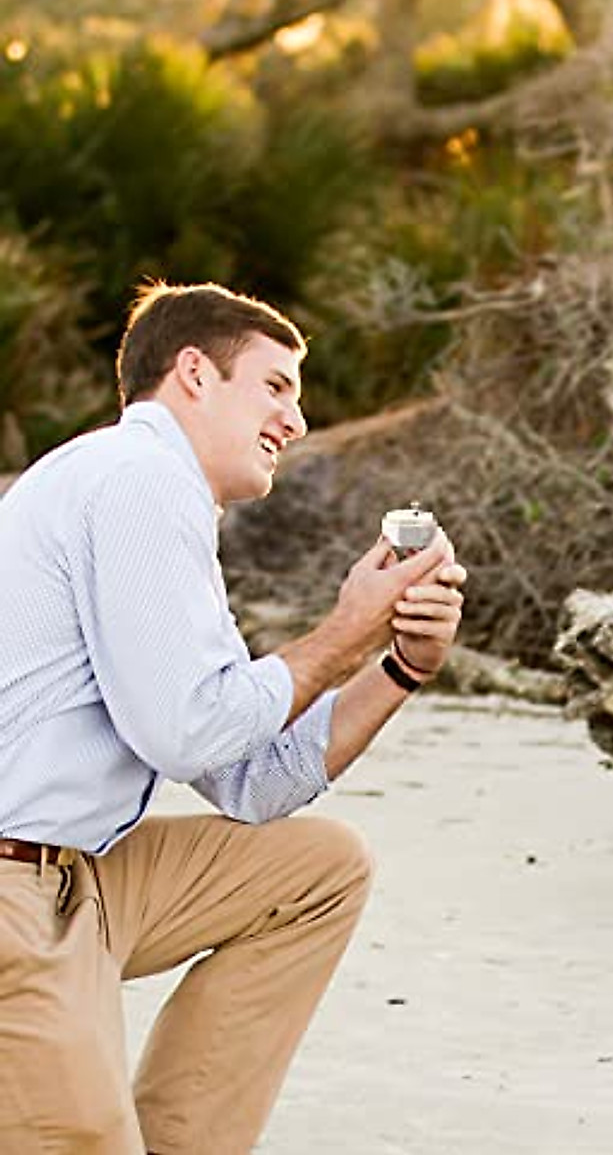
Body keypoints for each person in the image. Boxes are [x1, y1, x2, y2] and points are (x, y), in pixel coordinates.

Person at [0, 282, 467, 1154]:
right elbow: (187, 734)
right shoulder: (136, 477)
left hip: (76, 881)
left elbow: (251, 782)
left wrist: (400, 666)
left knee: (318, 871)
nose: (295, 419)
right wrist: (342, 632)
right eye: (276, 385)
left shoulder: (159, 500)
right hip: (12, 893)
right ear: (193, 374)